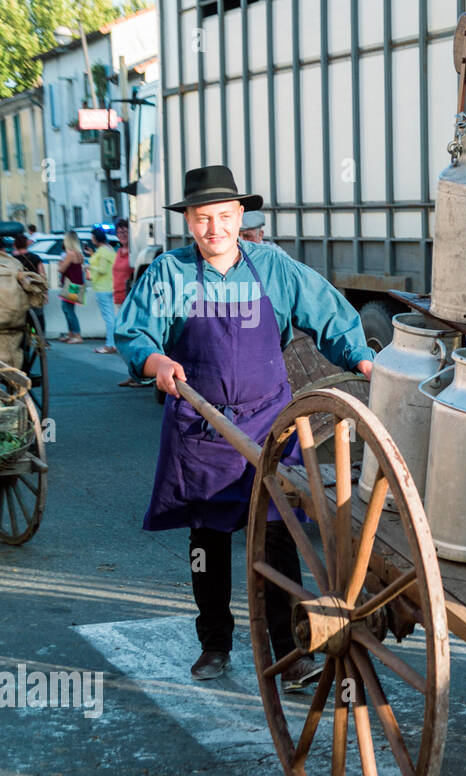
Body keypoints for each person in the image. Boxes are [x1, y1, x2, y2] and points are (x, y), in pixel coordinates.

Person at [117, 164, 376, 687]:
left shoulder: (273, 268)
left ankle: (290, 650)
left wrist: (362, 358)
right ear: (189, 221)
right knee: (208, 540)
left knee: (281, 538)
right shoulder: (169, 274)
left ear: (240, 217)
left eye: (223, 216)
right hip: (201, 427)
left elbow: (328, 313)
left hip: (269, 426)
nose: (213, 228)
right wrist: (156, 363)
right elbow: (134, 332)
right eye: (202, 218)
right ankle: (214, 643)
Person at [111, 219, 150, 387]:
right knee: (124, 340)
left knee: (134, 338)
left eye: (125, 232)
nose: (122, 235)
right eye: (119, 232)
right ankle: (132, 373)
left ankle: (140, 375)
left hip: (129, 297)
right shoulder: (119, 252)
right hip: (118, 296)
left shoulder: (134, 254)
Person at [87, 227, 117, 355]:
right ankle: (113, 343)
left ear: (96, 238)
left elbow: (103, 269)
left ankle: (110, 344)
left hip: (102, 287)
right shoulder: (108, 249)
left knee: (108, 317)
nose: (91, 239)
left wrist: (89, 266)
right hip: (109, 286)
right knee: (111, 316)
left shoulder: (103, 251)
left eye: (92, 237)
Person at [56, 230, 85, 344]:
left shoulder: (71, 254)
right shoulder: (79, 254)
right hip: (76, 285)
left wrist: (60, 264)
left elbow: (61, 269)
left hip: (70, 285)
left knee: (68, 309)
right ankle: (71, 333)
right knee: (68, 309)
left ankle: (77, 334)